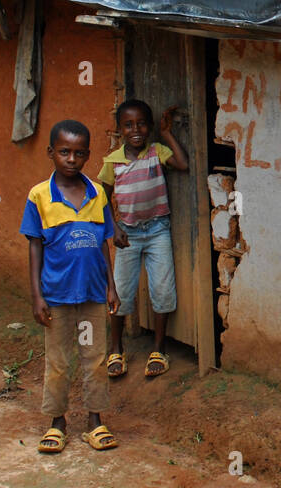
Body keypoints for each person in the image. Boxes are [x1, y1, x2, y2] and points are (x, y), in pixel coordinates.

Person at [21, 118, 120, 453]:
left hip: (92, 295)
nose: (71, 159)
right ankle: (57, 422)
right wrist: (37, 296)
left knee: (94, 357)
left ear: (88, 155)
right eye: (64, 152)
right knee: (59, 360)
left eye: (79, 153)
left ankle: (95, 421)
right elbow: (35, 246)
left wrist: (112, 287)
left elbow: (105, 243)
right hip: (57, 297)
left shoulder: (97, 195)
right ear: (51, 152)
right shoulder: (39, 197)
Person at [96, 99, 189, 379]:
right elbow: (102, 198)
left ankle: (158, 350)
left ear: (149, 127)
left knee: (162, 289)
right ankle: (116, 349)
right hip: (128, 234)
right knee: (121, 292)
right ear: (120, 129)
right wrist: (113, 228)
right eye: (128, 125)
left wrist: (167, 133)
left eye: (141, 124)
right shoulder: (112, 162)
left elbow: (183, 164)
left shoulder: (156, 151)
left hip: (158, 230)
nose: (135, 129)